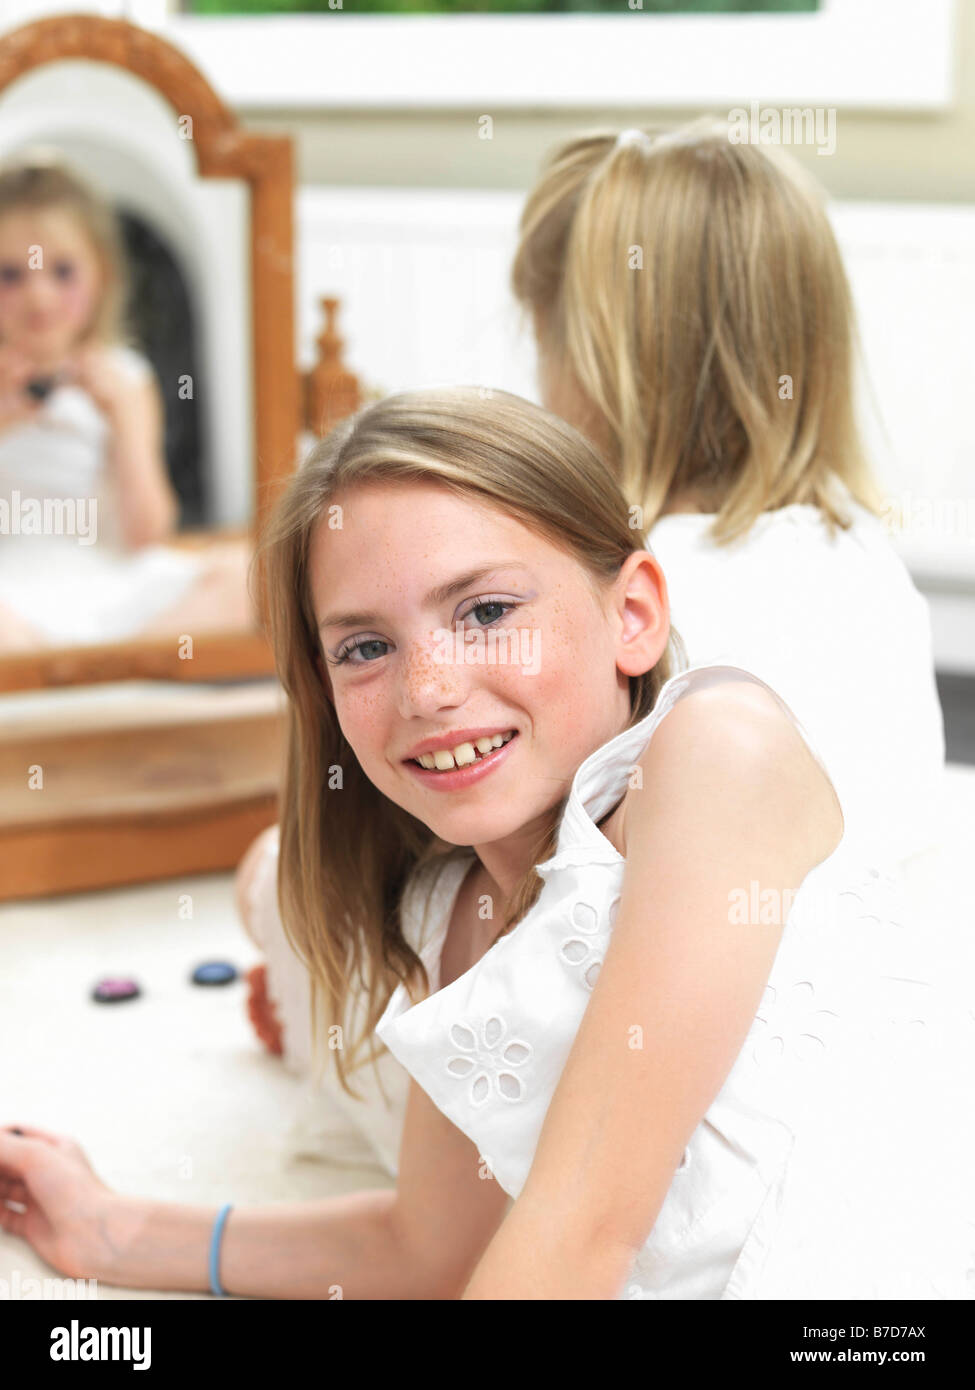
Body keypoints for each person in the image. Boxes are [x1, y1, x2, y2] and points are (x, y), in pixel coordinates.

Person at [0, 388, 968, 1298]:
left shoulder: (717, 753)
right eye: (366, 647)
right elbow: (429, 1246)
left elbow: (584, 1223)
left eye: (488, 613)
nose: (429, 688)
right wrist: (112, 1228)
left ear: (632, 615)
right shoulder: (451, 911)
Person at [237, 120, 946, 1175]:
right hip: (840, 995)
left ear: (590, 356)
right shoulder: (864, 557)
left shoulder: (622, 586)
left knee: (277, 874)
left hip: (633, 1101)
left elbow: (508, 892)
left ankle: (315, 1029)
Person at [0, 153, 253, 651]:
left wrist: (125, 426)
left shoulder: (127, 379)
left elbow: (149, 533)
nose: (39, 297)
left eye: (63, 271)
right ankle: (94, 660)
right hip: (15, 587)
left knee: (251, 575)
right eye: (11, 275)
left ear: (103, 276)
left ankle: (93, 656)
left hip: (113, 579)